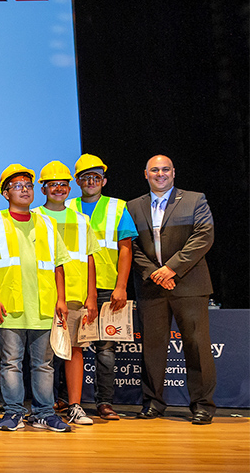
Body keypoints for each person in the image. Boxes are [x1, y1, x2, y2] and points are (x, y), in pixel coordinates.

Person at [0, 164, 72, 433]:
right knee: (11, 363)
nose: (25, 190)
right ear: (5, 193)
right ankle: (13, 412)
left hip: (43, 305)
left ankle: (44, 413)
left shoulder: (46, 222)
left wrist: (61, 300)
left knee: (44, 365)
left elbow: (58, 265)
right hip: (8, 305)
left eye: (28, 186)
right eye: (18, 186)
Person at [127, 155, 216, 425]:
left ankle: (202, 405)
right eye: (154, 170)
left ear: (174, 172)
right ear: (146, 174)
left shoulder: (195, 200)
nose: (160, 174)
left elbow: (203, 237)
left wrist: (171, 268)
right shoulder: (132, 206)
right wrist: (155, 273)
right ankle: (153, 403)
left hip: (189, 285)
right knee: (152, 348)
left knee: (196, 346)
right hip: (151, 286)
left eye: (165, 169)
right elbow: (130, 245)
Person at [67, 154, 138, 421]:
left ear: (104, 181)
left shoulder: (118, 207)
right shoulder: (67, 207)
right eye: (85, 177)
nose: (91, 182)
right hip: (75, 287)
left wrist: (122, 286)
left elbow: (125, 249)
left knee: (106, 349)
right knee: (69, 346)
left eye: (96, 177)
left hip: (108, 287)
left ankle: (104, 402)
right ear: (77, 181)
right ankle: (65, 399)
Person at [33, 161, 101, 427]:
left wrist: (91, 295)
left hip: (75, 295)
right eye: (53, 184)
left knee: (74, 350)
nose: (59, 189)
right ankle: (43, 408)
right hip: (42, 294)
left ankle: (74, 406)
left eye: (63, 184)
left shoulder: (81, 220)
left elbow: (90, 258)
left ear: (70, 188)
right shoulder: (35, 217)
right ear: (43, 189)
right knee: (42, 356)